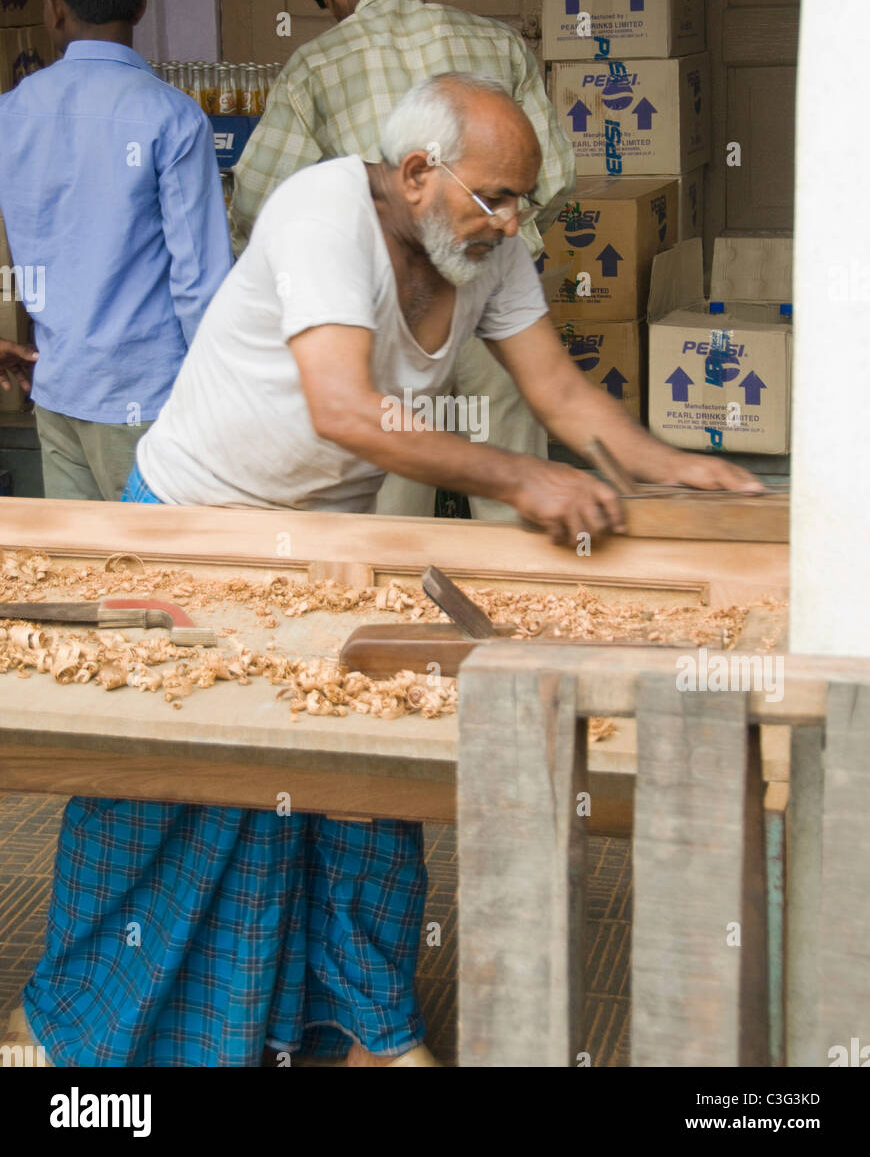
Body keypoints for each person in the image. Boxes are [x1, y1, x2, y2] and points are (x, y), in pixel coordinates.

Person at [19, 75, 762, 1068]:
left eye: (522, 202)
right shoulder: (323, 209)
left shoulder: (487, 247)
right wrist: (523, 479)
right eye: (495, 199)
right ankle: (72, 1033)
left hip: (334, 547)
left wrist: (672, 464)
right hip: (200, 527)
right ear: (416, 174)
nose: (510, 223)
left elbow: (559, 389)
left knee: (360, 793)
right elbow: (345, 409)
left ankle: (366, 1031)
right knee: (166, 792)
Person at [231, 0, 575, 522]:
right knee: (515, 493)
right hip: (497, 295)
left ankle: (400, 612)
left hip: (392, 307)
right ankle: (514, 611)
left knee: (393, 498)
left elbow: (258, 200)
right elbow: (554, 177)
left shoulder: (315, 65)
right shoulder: (496, 41)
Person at [0, 0, 233, 502]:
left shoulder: (13, 113)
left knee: (87, 577)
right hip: (150, 400)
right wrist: (225, 399)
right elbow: (200, 284)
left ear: (52, 8)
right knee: (161, 575)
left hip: (55, 388)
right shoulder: (173, 117)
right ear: (140, 6)